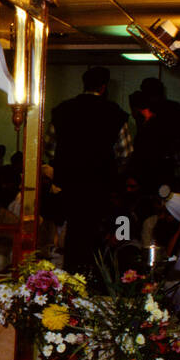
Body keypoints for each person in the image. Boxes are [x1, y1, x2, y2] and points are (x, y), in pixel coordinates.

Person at [50, 66, 131, 277]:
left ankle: (71, 281)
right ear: (103, 87)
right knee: (96, 239)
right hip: (100, 189)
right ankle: (93, 282)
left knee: (73, 237)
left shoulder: (62, 111)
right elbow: (125, 153)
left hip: (69, 188)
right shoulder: (115, 114)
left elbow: (49, 148)